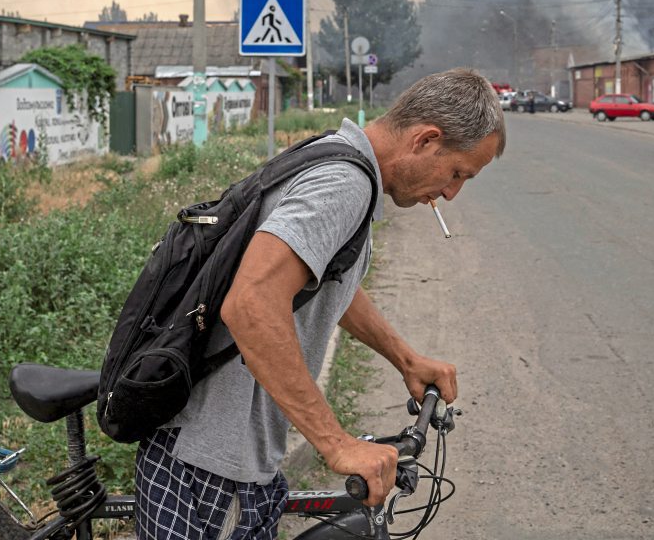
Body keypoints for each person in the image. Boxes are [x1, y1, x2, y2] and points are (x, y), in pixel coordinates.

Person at [135, 68, 506, 540]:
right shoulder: (343, 184)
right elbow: (252, 303)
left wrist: (405, 358)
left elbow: (323, 278)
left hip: (227, 452)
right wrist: (335, 444)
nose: (452, 193)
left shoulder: (335, 155)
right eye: (457, 173)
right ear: (426, 139)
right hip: (211, 461)